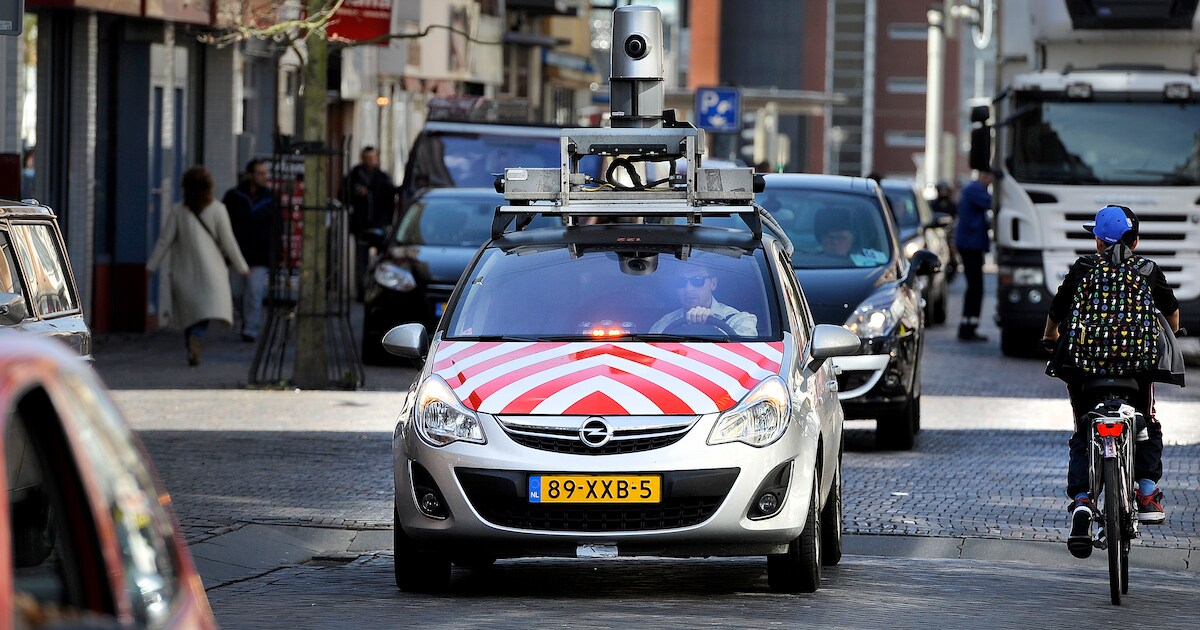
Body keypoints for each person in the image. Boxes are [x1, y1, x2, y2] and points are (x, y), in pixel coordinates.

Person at [1042, 205, 1181, 559]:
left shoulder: (1083, 268)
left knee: (1083, 430)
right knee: (1146, 421)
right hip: (1137, 371)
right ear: (1136, 240)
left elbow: (1057, 312)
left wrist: (1050, 338)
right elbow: (1171, 312)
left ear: (1097, 241)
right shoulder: (1148, 270)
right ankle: (1147, 492)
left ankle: (1084, 502)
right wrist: (1174, 332)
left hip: (1088, 370)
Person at [147, 165, 250, 366]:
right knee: (205, 311)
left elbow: (164, 241)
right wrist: (242, 267)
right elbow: (229, 242)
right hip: (212, 274)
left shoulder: (178, 210)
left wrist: (151, 267)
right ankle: (196, 336)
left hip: (183, 273)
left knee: (189, 312)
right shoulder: (219, 210)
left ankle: (190, 340)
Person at [222, 159, 275, 343]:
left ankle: (251, 328)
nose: (264, 177)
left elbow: (277, 227)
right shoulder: (233, 197)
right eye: (260, 173)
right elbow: (224, 225)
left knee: (254, 291)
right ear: (250, 175)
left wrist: (278, 253)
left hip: (259, 255)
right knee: (236, 292)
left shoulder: (270, 198)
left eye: (265, 173)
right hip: (237, 253)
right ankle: (245, 319)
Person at [341, 146, 397, 298]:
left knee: (381, 260)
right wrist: (355, 193)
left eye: (372, 158)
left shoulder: (382, 177)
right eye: (367, 158)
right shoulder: (354, 176)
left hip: (379, 224)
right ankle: (361, 292)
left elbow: (390, 200)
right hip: (361, 226)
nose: (369, 161)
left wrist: (388, 222)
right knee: (361, 261)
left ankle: (379, 290)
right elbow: (343, 195)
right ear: (362, 158)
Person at [649, 267, 758, 336]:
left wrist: (711, 328)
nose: (688, 288)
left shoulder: (739, 320)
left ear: (713, 284)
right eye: (680, 281)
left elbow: (746, 357)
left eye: (697, 280)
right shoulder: (664, 324)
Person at [955, 168, 993, 342]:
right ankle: (968, 327)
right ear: (985, 176)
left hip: (971, 244)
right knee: (975, 288)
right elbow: (993, 202)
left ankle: (968, 325)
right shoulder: (975, 190)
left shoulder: (972, 189)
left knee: (975, 287)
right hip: (971, 245)